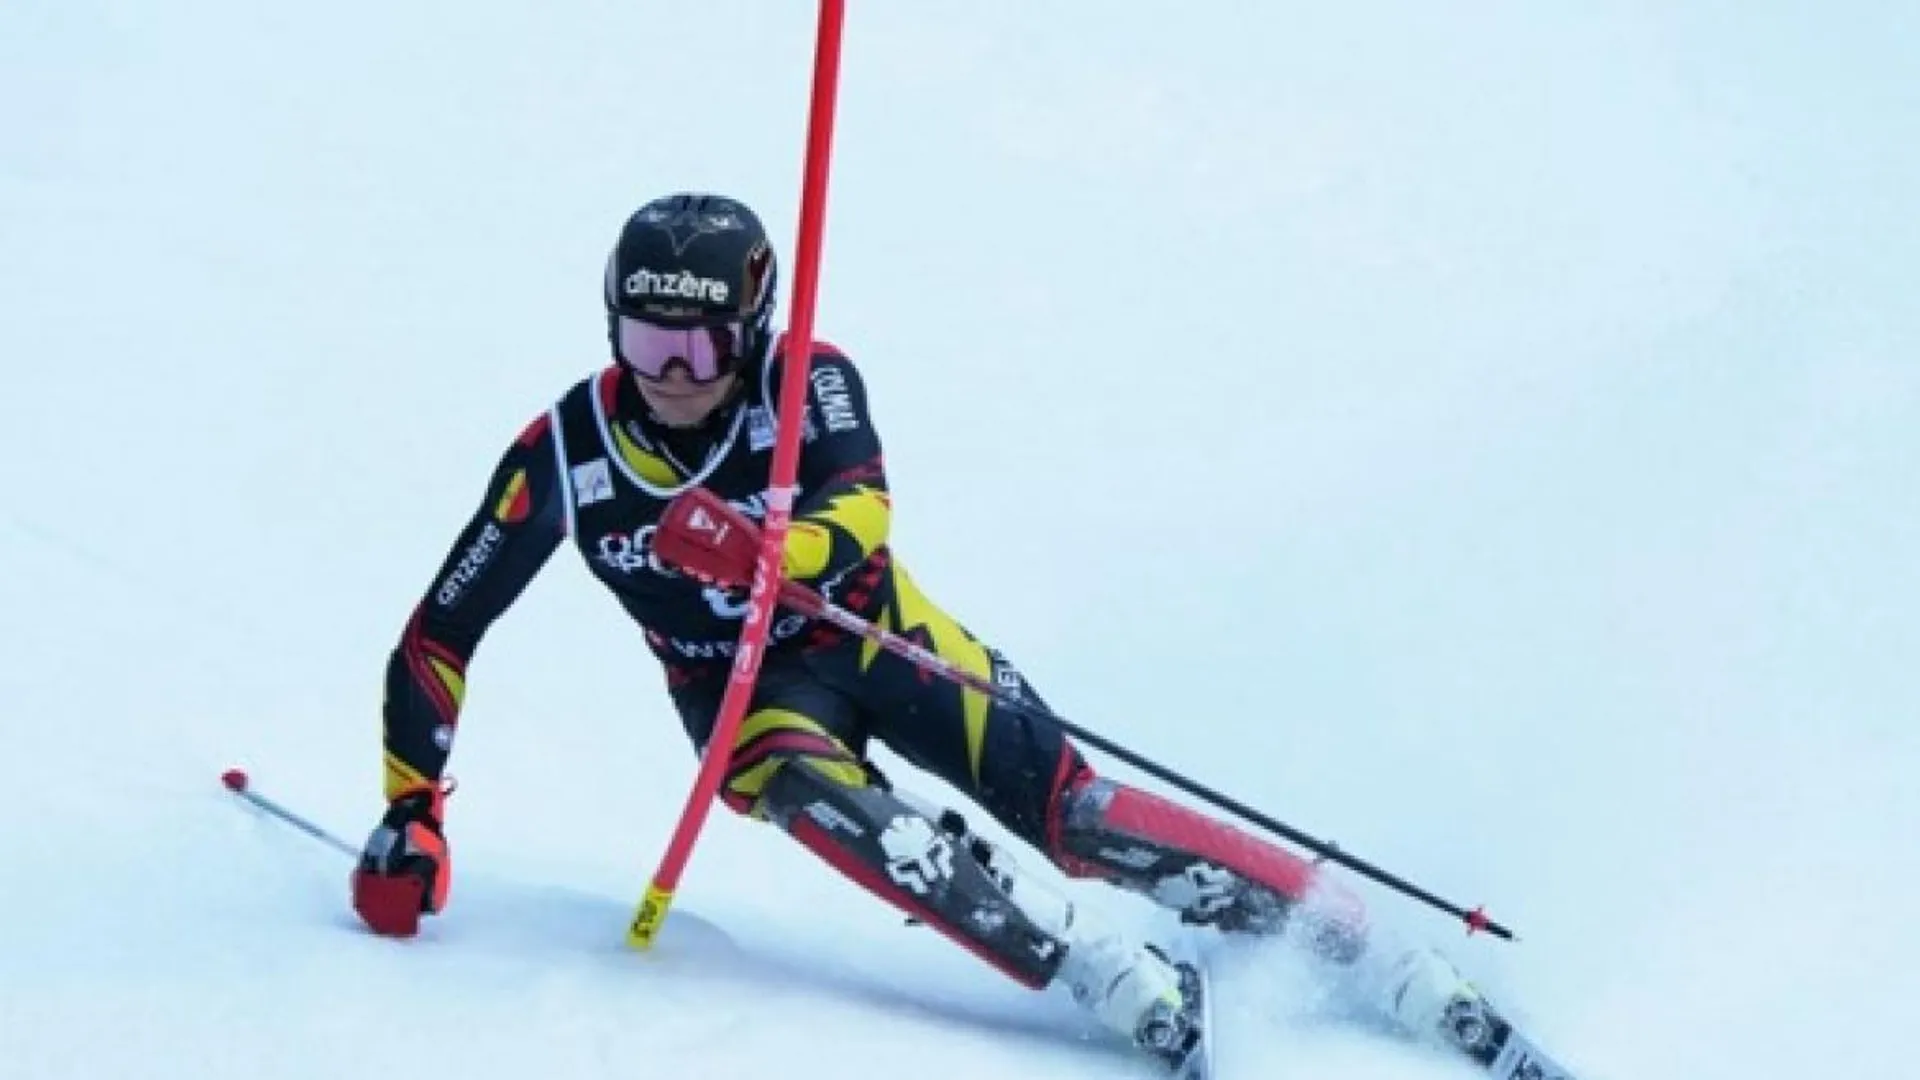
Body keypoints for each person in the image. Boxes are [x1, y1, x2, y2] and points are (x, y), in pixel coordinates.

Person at [350, 191, 1488, 1072]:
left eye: (701, 347)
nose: (675, 377)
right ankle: (1093, 969)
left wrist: (768, 554)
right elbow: (439, 634)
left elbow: (860, 512)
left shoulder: (808, 382)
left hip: (879, 637)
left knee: (1081, 817)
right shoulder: (564, 454)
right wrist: (413, 814)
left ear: (751, 327)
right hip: (744, 701)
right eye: (648, 344)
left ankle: (1355, 940)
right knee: (819, 798)